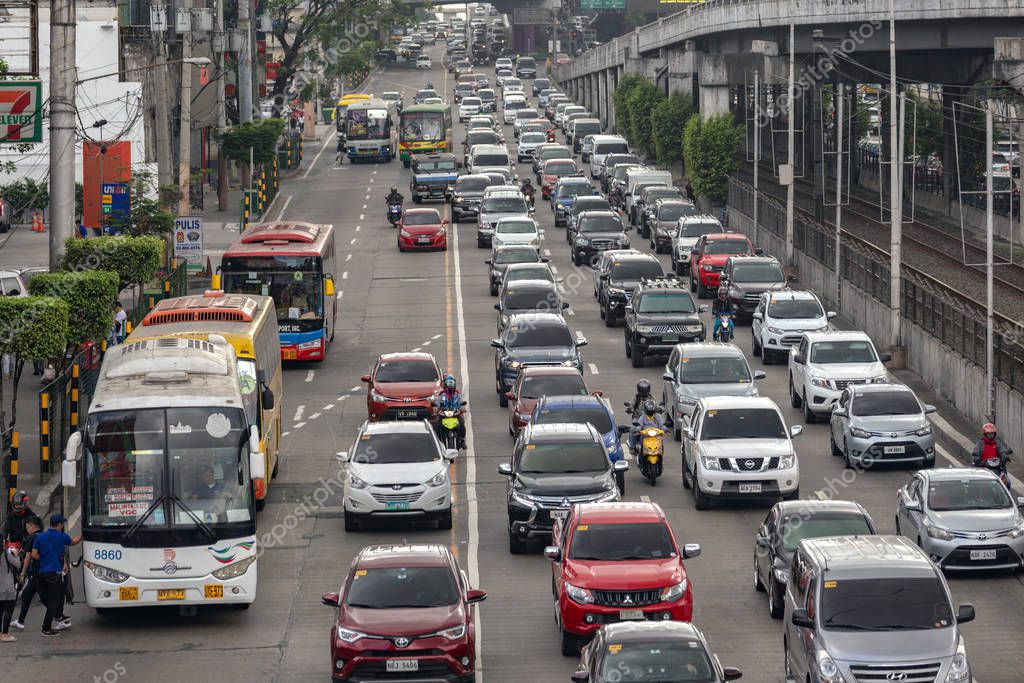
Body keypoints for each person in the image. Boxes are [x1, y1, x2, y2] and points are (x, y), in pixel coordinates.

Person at [31, 514, 81, 636]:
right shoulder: (62, 536)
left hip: (42, 572)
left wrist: (45, 559)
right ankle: (46, 628)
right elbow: (73, 542)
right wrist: (83, 535)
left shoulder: (40, 536)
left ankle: (59, 615)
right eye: (62, 524)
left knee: (49, 598)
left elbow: (34, 554)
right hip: (55, 573)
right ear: (59, 524)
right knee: (54, 602)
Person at [10, 516, 41, 631]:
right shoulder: (42, 535)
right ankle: (20, 621)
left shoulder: (32, 537)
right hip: (42, 572)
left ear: (32, 526)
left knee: (45, 598)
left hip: (38, 573)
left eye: (27, 527)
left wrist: (22, 574)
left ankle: (59, 616)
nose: (27, 529)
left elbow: (28, 557)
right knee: (27, 594)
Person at [431, 375, 467, 450]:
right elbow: (437, 403)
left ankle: (462, 440)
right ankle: (437, 442)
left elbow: (461, 403)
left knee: (462, 424)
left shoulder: (457, 395)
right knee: (436, 424)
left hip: (455, 414)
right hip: (443, 414)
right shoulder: (441, 395)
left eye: (451, 384)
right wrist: (435, 408)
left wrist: (462, 408)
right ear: (445, 385)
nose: (450, 386)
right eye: (448, 384)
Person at [0, 544, 20, 642]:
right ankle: (5, 634)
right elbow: (18, 564)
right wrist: (16, 555)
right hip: (7, 586)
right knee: (8, 610)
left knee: (0, 610)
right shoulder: (5, 553)